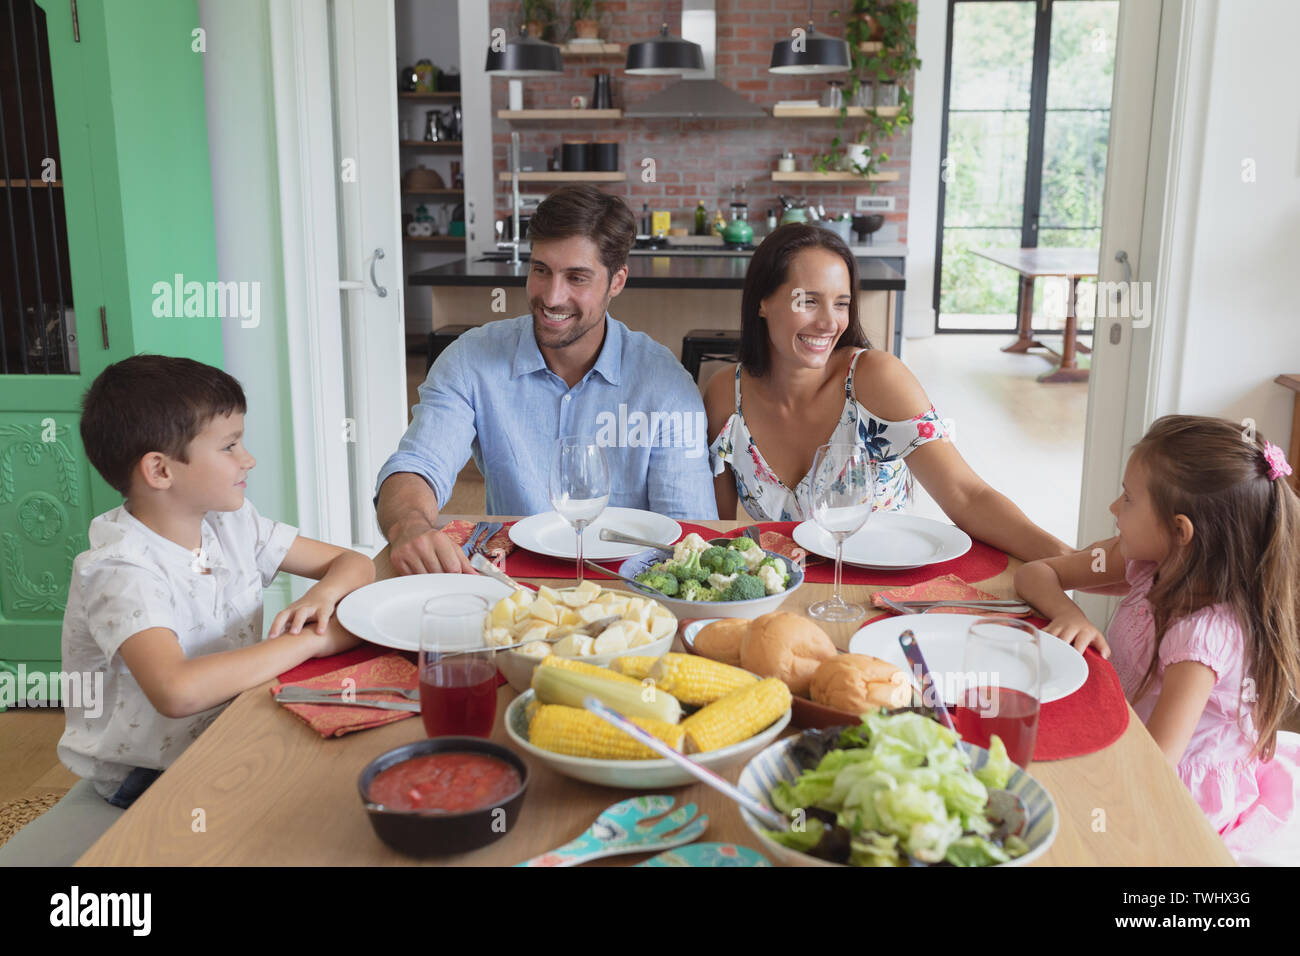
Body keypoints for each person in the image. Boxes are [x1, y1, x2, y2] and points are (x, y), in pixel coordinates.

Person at [57, 355, 371, 810]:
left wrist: (322, 594)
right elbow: (177, 690)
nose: (249, 459)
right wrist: (313, 642)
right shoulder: (120, 569)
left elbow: (353, 563)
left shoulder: (231, 523)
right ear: (160, 470)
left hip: (226, 723)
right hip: (149, 773)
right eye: (229, 446)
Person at [377, 185, 717, 575]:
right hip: (511, 586)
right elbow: (419, 463)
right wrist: (410, 524)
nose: (552, 297)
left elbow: (690, 534)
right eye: (541, 270)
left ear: (617, 281)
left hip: (632, 588)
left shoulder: (666, 386)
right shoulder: (470, 361)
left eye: (577, 277)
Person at [1015, 415, 1300, 866]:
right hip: (1120, 737)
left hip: (1172, 792)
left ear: (1180, 531)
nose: (1114, 507)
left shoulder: (1201, 640)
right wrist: (1071, 613)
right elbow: (1037, 572)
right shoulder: (1146, 561)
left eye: (1128, 499)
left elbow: (1154, 766)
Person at [705, 223, 1070, 562]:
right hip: (786, 594)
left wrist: (1070, 561)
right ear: (762, 302)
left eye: (842, 303)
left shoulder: (876, 379)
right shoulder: (726, 395)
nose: (830, 322)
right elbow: (719, 535)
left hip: (883, 588)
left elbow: (966, 496)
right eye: (809, 301)